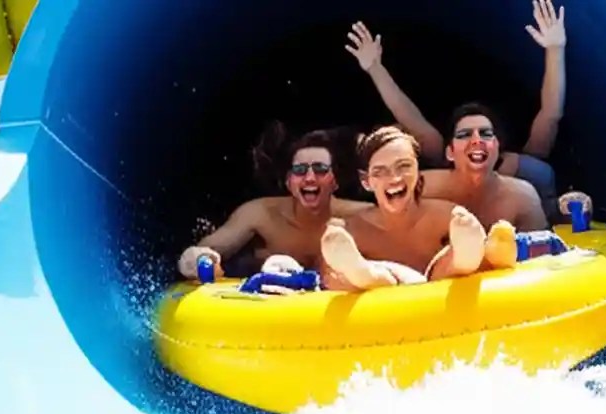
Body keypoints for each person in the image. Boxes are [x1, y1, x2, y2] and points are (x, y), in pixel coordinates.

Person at [344, 0, 567, 202]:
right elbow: (409, 116)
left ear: (498, 145)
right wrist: (375, 68)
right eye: (464, 134)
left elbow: (551, 114)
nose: (476, 140)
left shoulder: (523, 171)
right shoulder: (434, 173)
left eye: (485, 133)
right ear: (450, 150)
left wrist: (555, 49)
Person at [318, 125, 519, 291]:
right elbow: (330, 280)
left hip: (445, 292)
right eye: (380, 171)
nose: (394, 178)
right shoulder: (352, 233)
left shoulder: (447, 217)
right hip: (387, 307)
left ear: (417, 170)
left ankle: (473, 256)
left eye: (404, 166)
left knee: (457, 260)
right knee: (375, 276)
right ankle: (366, 274)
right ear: (366, 181)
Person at [177, 127, 372, 281]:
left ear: (335, 182)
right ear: (288, 182)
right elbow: (206, 250)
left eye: (320, 169)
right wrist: (200, 260)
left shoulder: (359, 216)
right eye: (300, 170)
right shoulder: (259, 214)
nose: (310, 178)